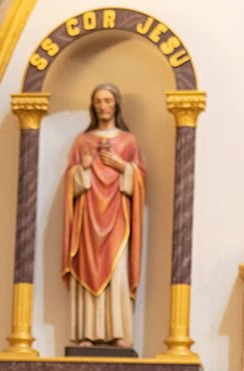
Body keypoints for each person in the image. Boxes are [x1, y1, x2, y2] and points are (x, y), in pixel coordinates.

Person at [61, 82, 146, 349]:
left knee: (117, 272)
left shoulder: (128, 141)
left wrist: (124, 168)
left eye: (108, 101)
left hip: (117, 217)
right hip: (88, 219)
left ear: (116, 104)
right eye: (98, 101)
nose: (103, 106)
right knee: (87, 268)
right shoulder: (83, 141)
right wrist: (83, 169)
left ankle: (119, 333)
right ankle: (87, 333)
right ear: (93, 105)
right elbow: (71, 181)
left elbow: (141, 180)